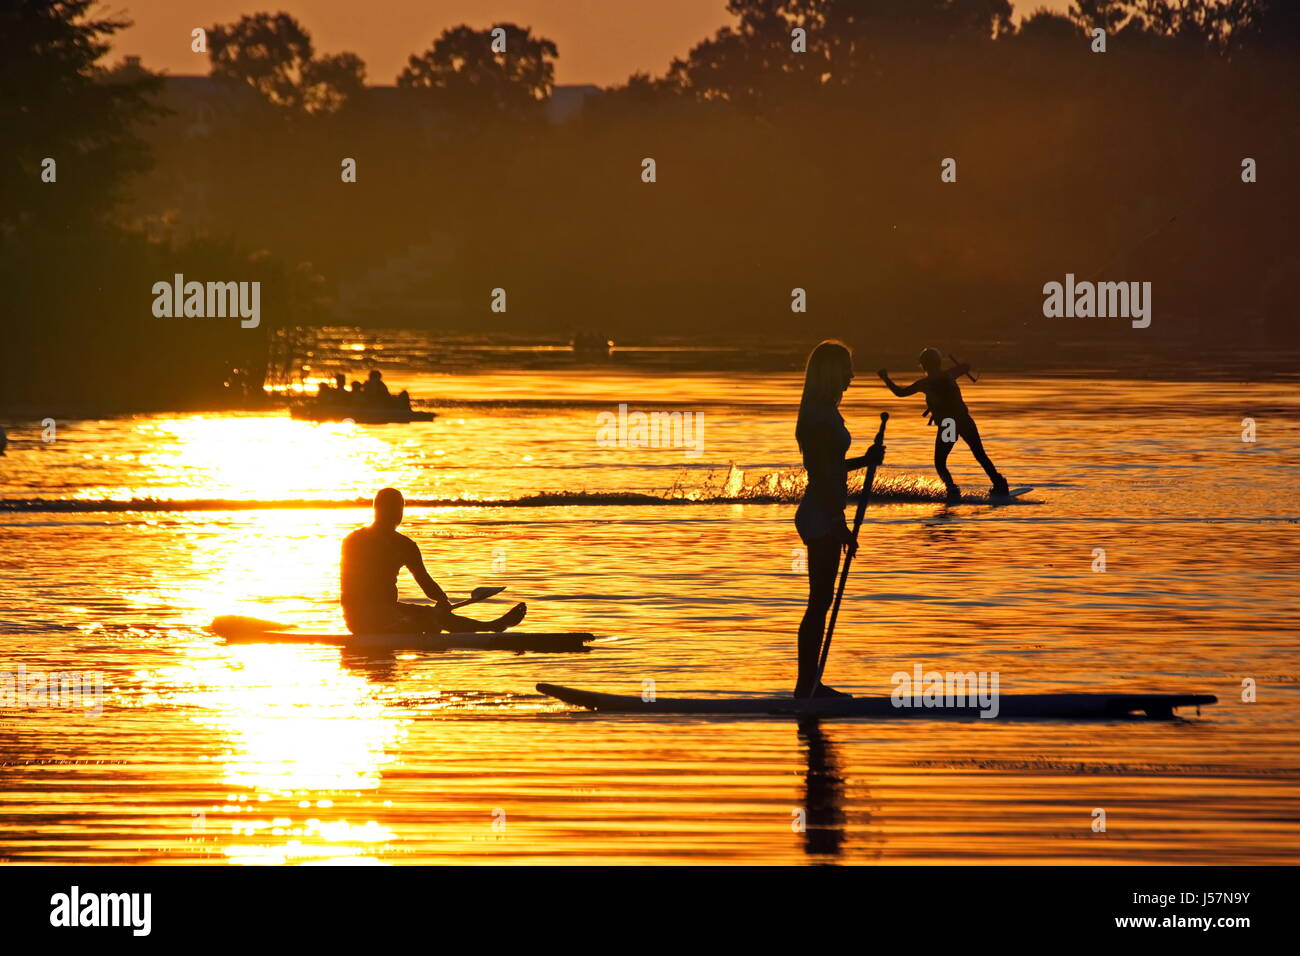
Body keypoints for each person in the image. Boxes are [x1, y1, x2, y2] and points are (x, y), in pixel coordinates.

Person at [793, 340, 885, 699]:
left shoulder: (824, 411)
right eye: (846, 367)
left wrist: (865, 460)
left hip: (823, 511)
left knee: (821, 600)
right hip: (820, 513)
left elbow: (831, 467)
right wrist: (836, 521)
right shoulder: (818, 415)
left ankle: (810, 684)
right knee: (819, 601)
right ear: (831, 371)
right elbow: (821, 473)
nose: (851, 375)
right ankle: (806, 686)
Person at [341, 488, 526, 635]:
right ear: (377, 510)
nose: (397, 514)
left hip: (390, 611)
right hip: (361, 616)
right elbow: (349, 587)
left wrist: (442, 600)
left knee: (435, 616)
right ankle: (489, 628)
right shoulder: (355, 541)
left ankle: (491, 627)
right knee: (430, 620)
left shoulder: (406, 545)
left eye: (399, 509)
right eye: (392, 508)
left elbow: (425, 581)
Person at [878, 349, 1009, 502]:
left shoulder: (925, 383)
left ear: (923, 365)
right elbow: (966, 366)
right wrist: (961, 363)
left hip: (949, 425)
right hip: (965, 420)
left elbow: (900, 392)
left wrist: (885, 378)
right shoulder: (950, 374)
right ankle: (999, 484)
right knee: (979, 454)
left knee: (940, 463)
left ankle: (952, 489)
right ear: (939, 363)